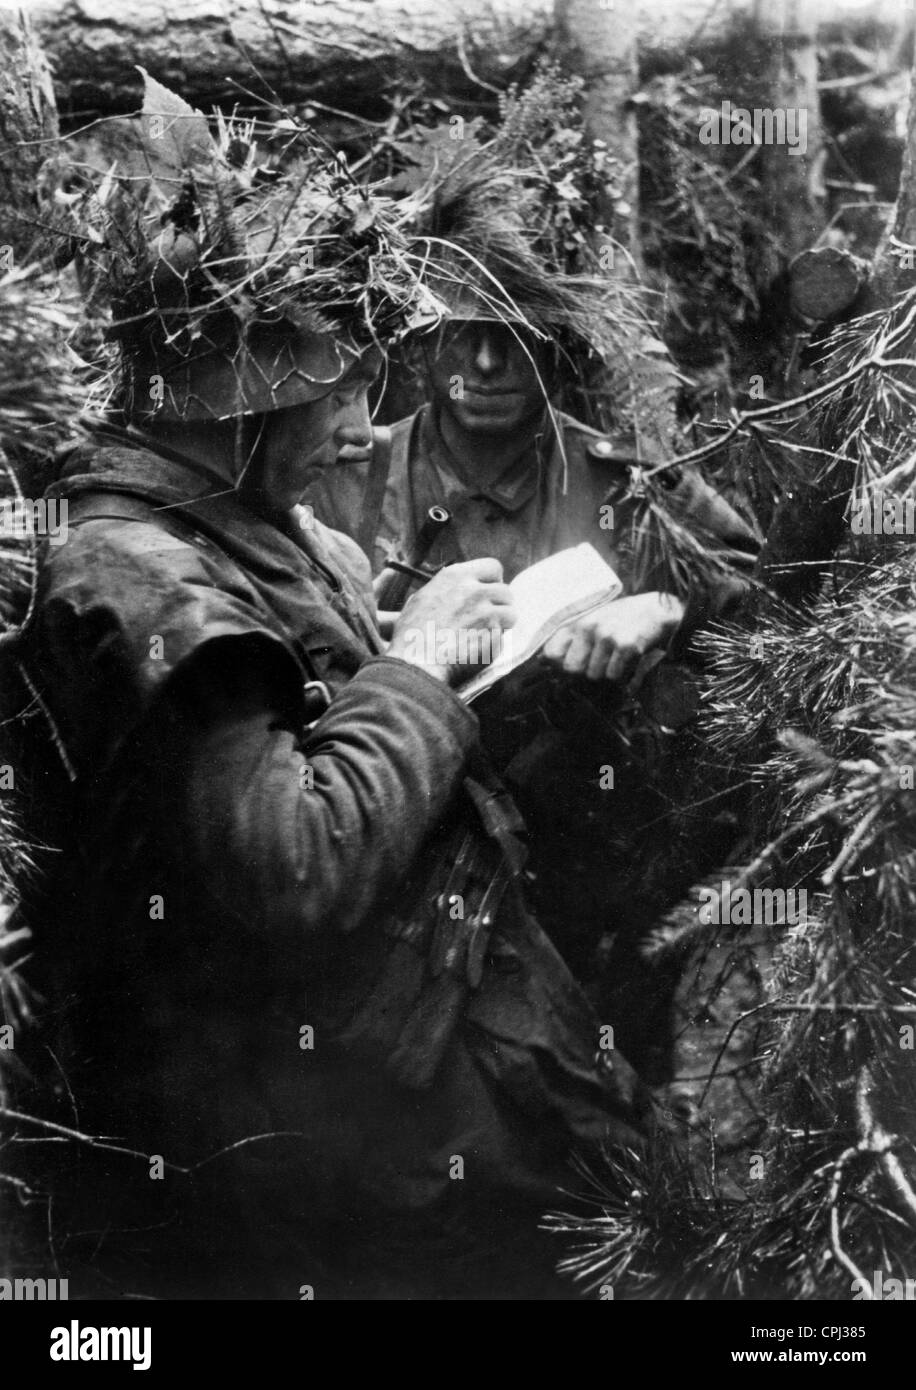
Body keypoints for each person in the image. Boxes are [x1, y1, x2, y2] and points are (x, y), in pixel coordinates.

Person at [12, 83, 651, 1300]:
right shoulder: (143, 577)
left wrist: (399, 631)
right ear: (239, 409)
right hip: (304, 1125)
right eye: (340, 395)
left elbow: (295, 718)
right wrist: (413, 666)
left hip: (389, 1043)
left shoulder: (224, 521)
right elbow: (292, 860)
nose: (368, 431)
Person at [304, 209, 761, 1081]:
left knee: (602, 1090)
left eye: (511, 338)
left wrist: (660, 604)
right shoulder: (348, 469)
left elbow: (759, 601)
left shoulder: (624, 475)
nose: (482, 365)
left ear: (558, 346)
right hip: (402, 849)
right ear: (425, 339)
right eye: (462, 334)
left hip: (589, 854)